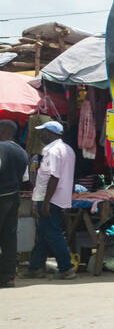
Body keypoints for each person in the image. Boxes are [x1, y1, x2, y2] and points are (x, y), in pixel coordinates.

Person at [19, 121, 76, 281]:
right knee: (44, 233)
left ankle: (66, 268)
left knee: (52, 233)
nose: (41, 135)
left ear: (51, 133)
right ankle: (35, 267)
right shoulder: (67, 149)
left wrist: (46, 202)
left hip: (50, 198)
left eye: (43, 132)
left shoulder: (53, 151)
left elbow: (54, 177)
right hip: (58, 198)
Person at [0, 119, 30, 288]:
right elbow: (25, 178)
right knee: (9, 237)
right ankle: (8, 277)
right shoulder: (22, 151)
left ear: (3, 131)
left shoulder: (1, 148)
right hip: (14, 197)